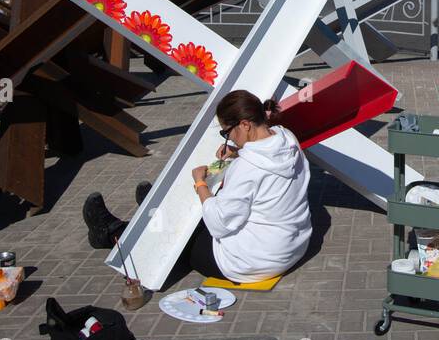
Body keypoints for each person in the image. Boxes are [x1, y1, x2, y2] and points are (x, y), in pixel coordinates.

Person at [83, 90, 313, 283]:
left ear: (244, 124)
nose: (228, 139)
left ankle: (110, 232)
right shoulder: (287, 138)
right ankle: (153, 212)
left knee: (177, 230)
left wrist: (200, 183)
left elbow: (221, 224)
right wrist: (238, 152)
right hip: (292, 246)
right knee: (194, 214)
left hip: (251, 263)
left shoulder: (247, 169)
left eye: (227, 132)